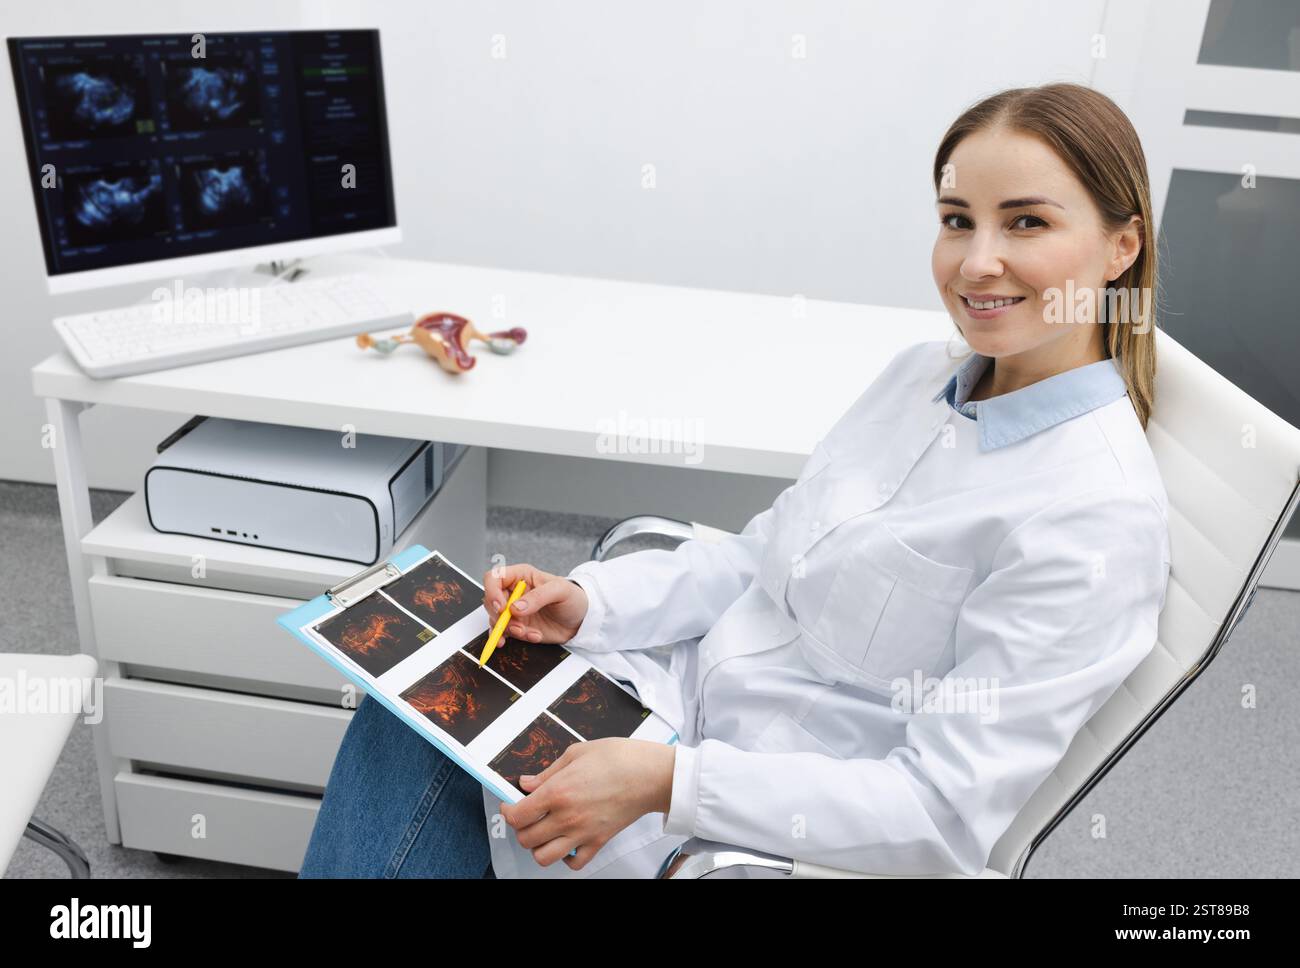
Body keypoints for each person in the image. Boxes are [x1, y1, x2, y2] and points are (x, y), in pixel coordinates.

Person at [299, 81, 1171, 880]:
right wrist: (591, 602)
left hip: (763, 822)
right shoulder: (922, 376)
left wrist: (669, 783)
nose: (977, 262)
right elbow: (768, 558)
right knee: (417, 699)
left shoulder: (1093, 517)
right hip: (682, 706)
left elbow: (937, 810)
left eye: (1026, 223)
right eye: (956, 220)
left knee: (435, 749)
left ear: (1120, 245)